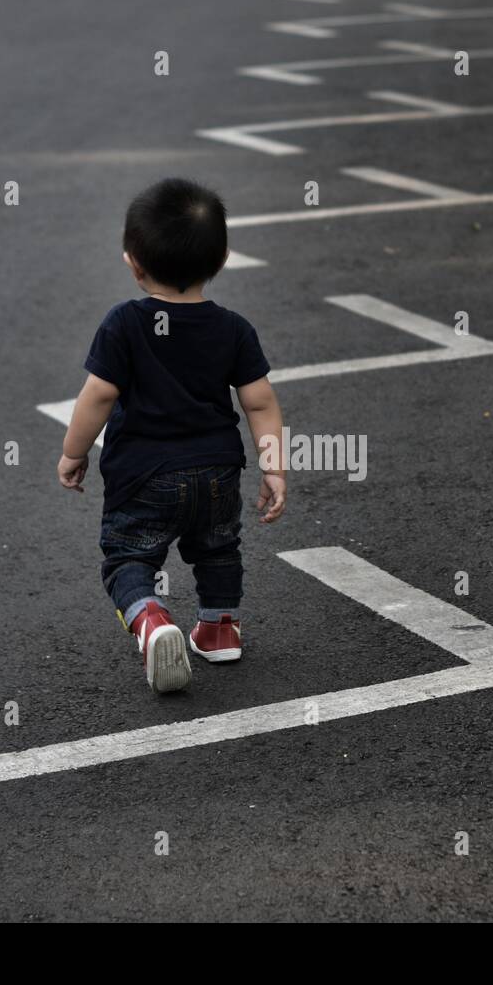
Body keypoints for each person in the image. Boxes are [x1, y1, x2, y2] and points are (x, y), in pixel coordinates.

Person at [57, 178, 287, 694]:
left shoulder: (124, 324)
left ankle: (150, 621)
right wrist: (273, 466)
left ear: (134, 263)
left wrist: (73, 453)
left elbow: (97, 397)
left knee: (129, 558)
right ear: (222, 258)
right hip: (216, 474)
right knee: (218, 549)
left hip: (144, 477)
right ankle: (219, 628)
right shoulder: (233, 329)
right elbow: (260, 402)